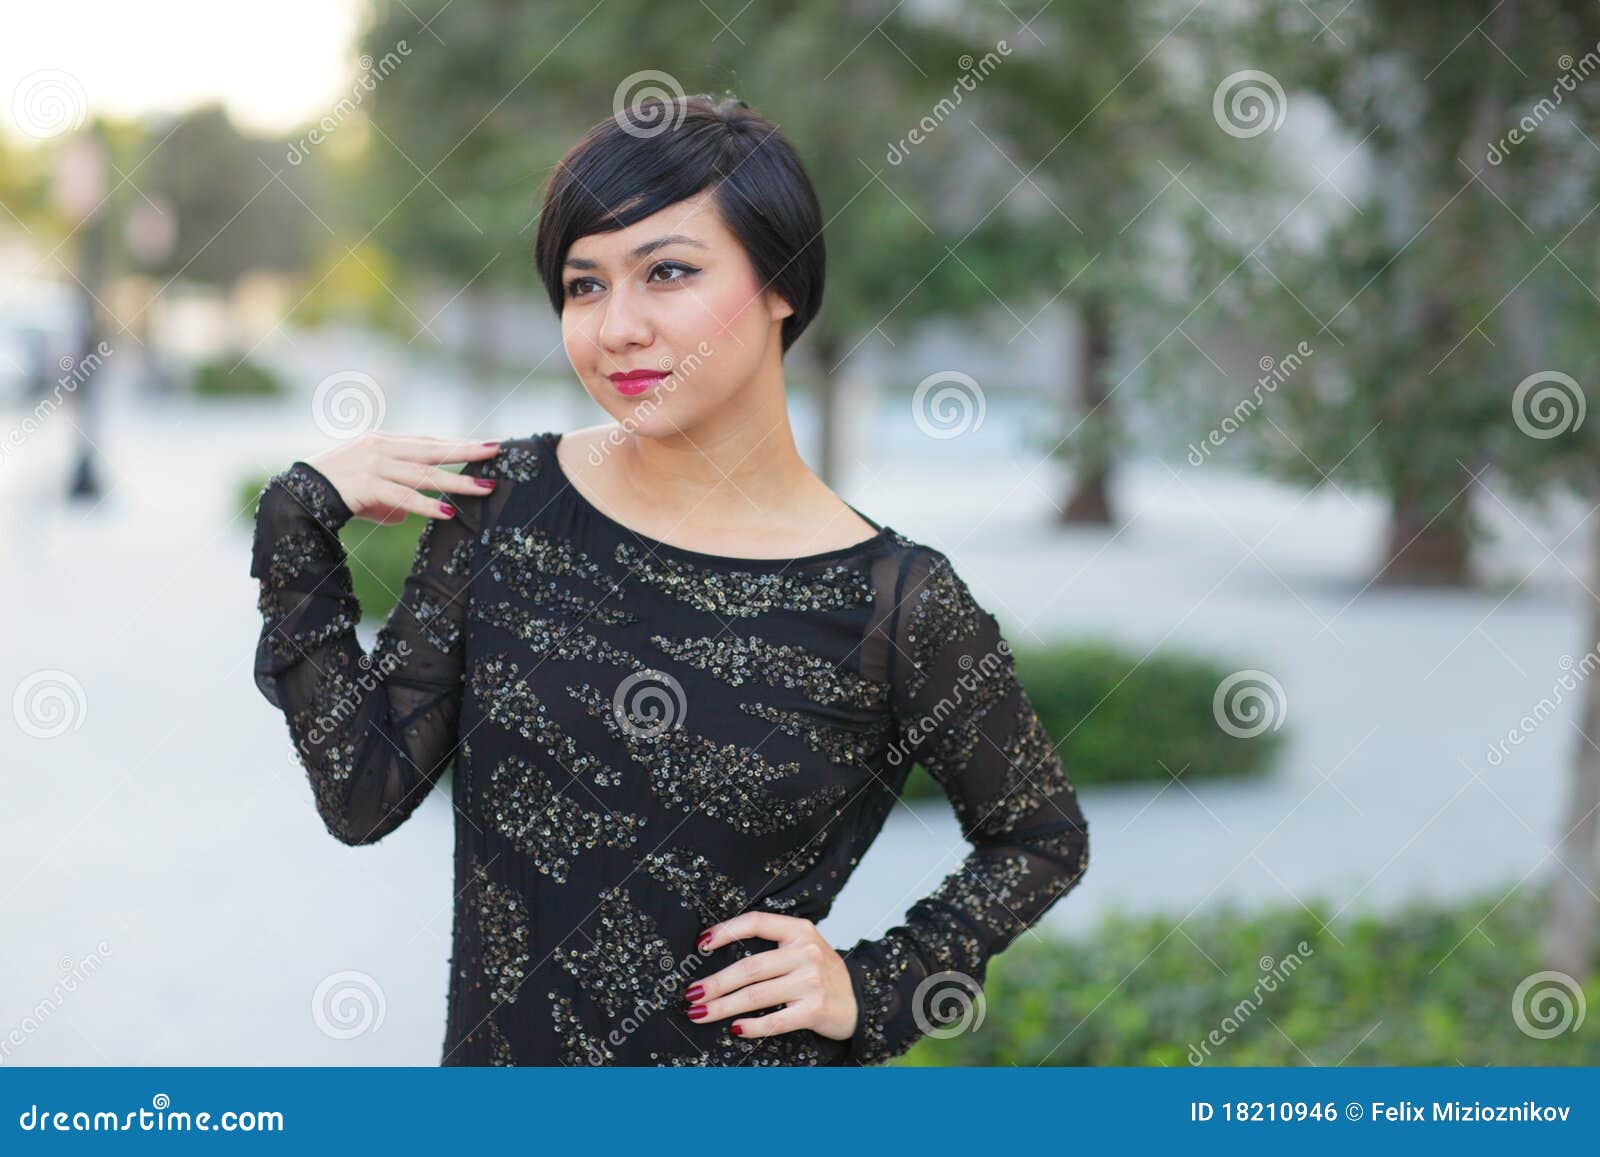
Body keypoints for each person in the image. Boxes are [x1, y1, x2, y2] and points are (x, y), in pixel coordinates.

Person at [249, 92, 1089, 1066]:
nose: (617, 329)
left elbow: (1039, 836)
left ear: (782, 282)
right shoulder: (501, 505)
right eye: (584, 285)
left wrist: (876, 986)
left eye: (668, 272)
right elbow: (363, 790)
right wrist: (297, 524)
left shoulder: (897, 603)